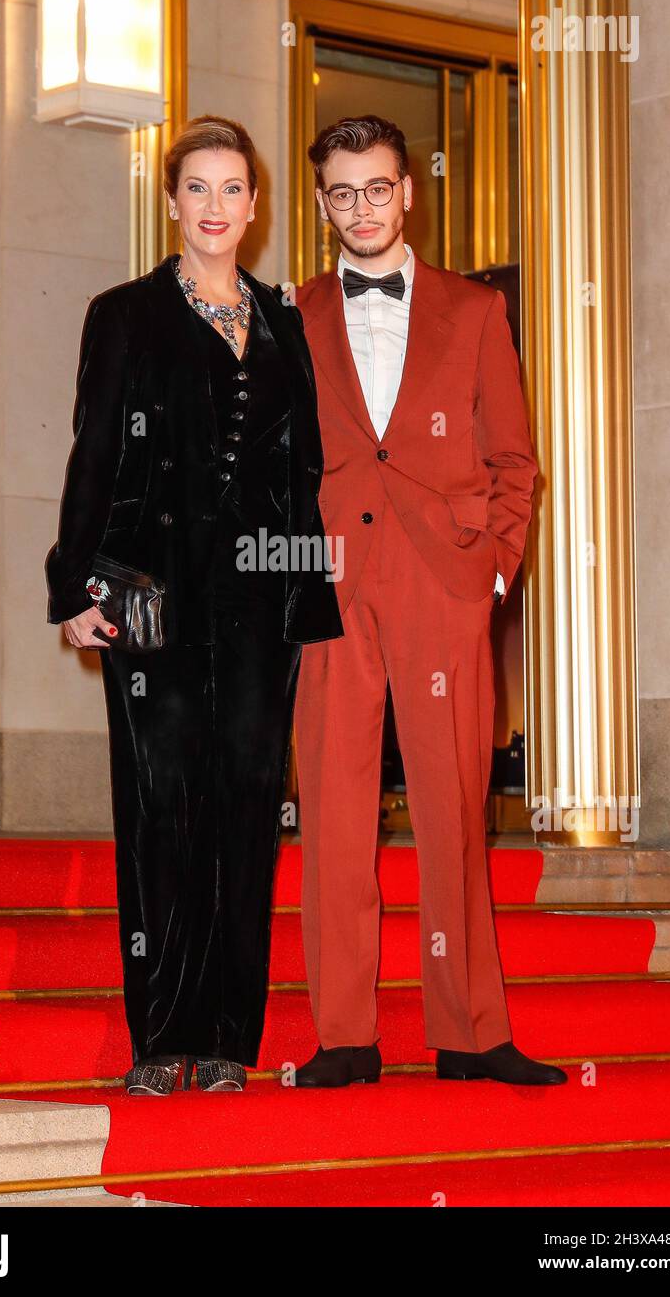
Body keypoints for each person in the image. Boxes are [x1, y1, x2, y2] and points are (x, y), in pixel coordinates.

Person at [45, 115, 341, 1096]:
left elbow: (303, 472)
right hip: (147, 588)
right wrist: (77, 582)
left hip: (257, 595)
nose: (214, 207)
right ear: (171, 202)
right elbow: (94, 457)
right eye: (196, 188)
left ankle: (223, 1041)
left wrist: (308, 599)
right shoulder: (122, 313)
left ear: (255, 207)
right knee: (162, 801)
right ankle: (159, 1037)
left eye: (232, 189)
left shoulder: (285, 322)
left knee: (245, 808)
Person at [291, 114, 566, 1088]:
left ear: (407, 192)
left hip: (443, 583)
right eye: (341, 192)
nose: (361, 207)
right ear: (320, 202)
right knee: (331, 806)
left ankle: (469, 1031)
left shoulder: (474, 309)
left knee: (454, 805)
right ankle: (343, 1036)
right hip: (327, 582)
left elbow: (513, 460)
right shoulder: (292, 310)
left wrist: (490, 568)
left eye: (377, 187)